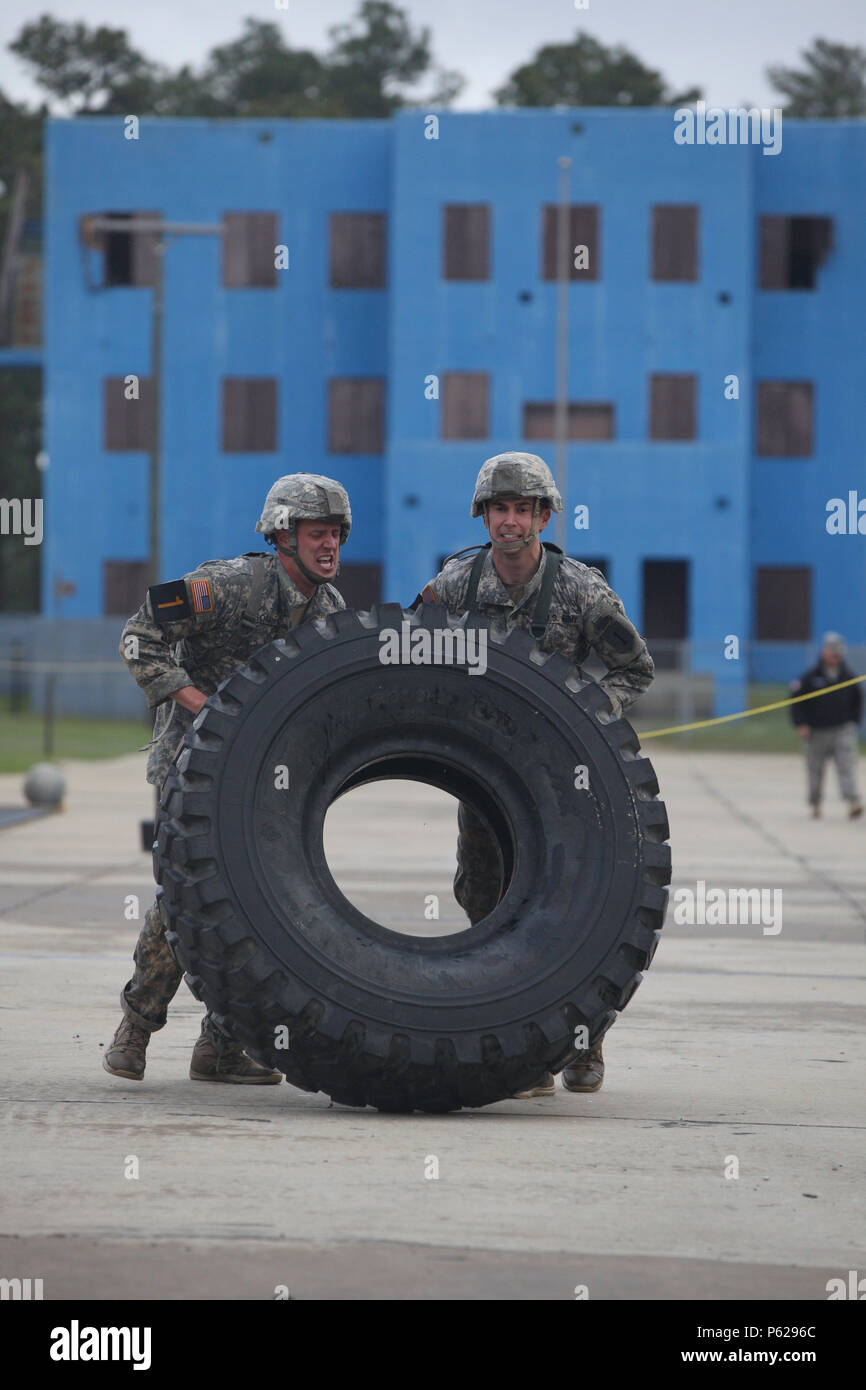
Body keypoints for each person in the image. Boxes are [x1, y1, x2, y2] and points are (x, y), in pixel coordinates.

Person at [416, 452, 654, 1097]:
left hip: (564, 786)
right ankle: (509, 1037)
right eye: (501, 509)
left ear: (544, 517)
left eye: (524, 510)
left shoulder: (580, 591)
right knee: (482, 899)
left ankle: (584, 1041)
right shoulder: (456, 585)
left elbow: (635, 669)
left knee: (573, 910)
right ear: (484, 515)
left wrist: (584, 715)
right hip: (485, 777)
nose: (512, 522)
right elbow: (410, 652)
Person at [103, 474, 351, 1084]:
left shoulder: (330, 612)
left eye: (337, 535)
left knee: (260, 910)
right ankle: (136, 1027)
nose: (330, 547)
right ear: (282, 536)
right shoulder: (224, 585)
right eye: (318, 533)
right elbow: (139, 635)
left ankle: (220, 1047)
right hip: (190, 768)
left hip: (267, 782)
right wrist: (202, 704)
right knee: (183, 900)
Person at [791, 632, 863, 820]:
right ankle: (815, 803)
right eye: (832, 654)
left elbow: (858, 701)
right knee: (815, 769)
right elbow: (796, 702)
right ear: (824, 653)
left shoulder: (848, 677)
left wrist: (853, 723)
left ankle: (853, 801)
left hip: (842, 730)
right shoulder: (809, 678)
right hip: (816, 731)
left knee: (847, 766)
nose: (835, 658)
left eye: (838, 654)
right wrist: (801, 724)